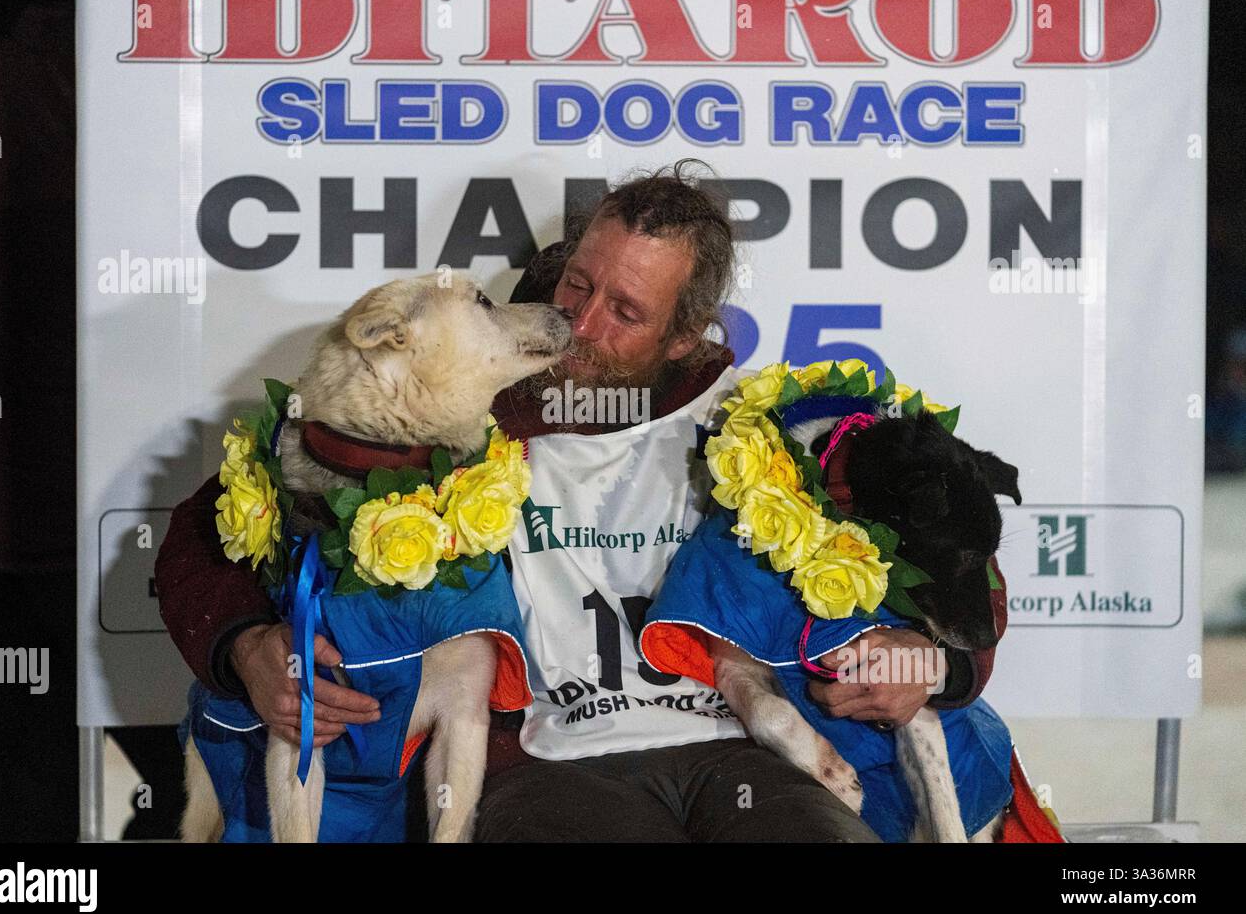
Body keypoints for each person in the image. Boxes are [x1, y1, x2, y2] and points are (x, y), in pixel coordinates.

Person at [156, 158, 1008, 842]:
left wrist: (930, 656)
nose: (584, 324)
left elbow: (952, 531)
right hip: (548, 766)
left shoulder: (766, 426)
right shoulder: (455, 394)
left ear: (686, 334)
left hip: (742, 751)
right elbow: (214, 523)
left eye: (626, 311)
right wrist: (245, 646)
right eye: (576, 285)